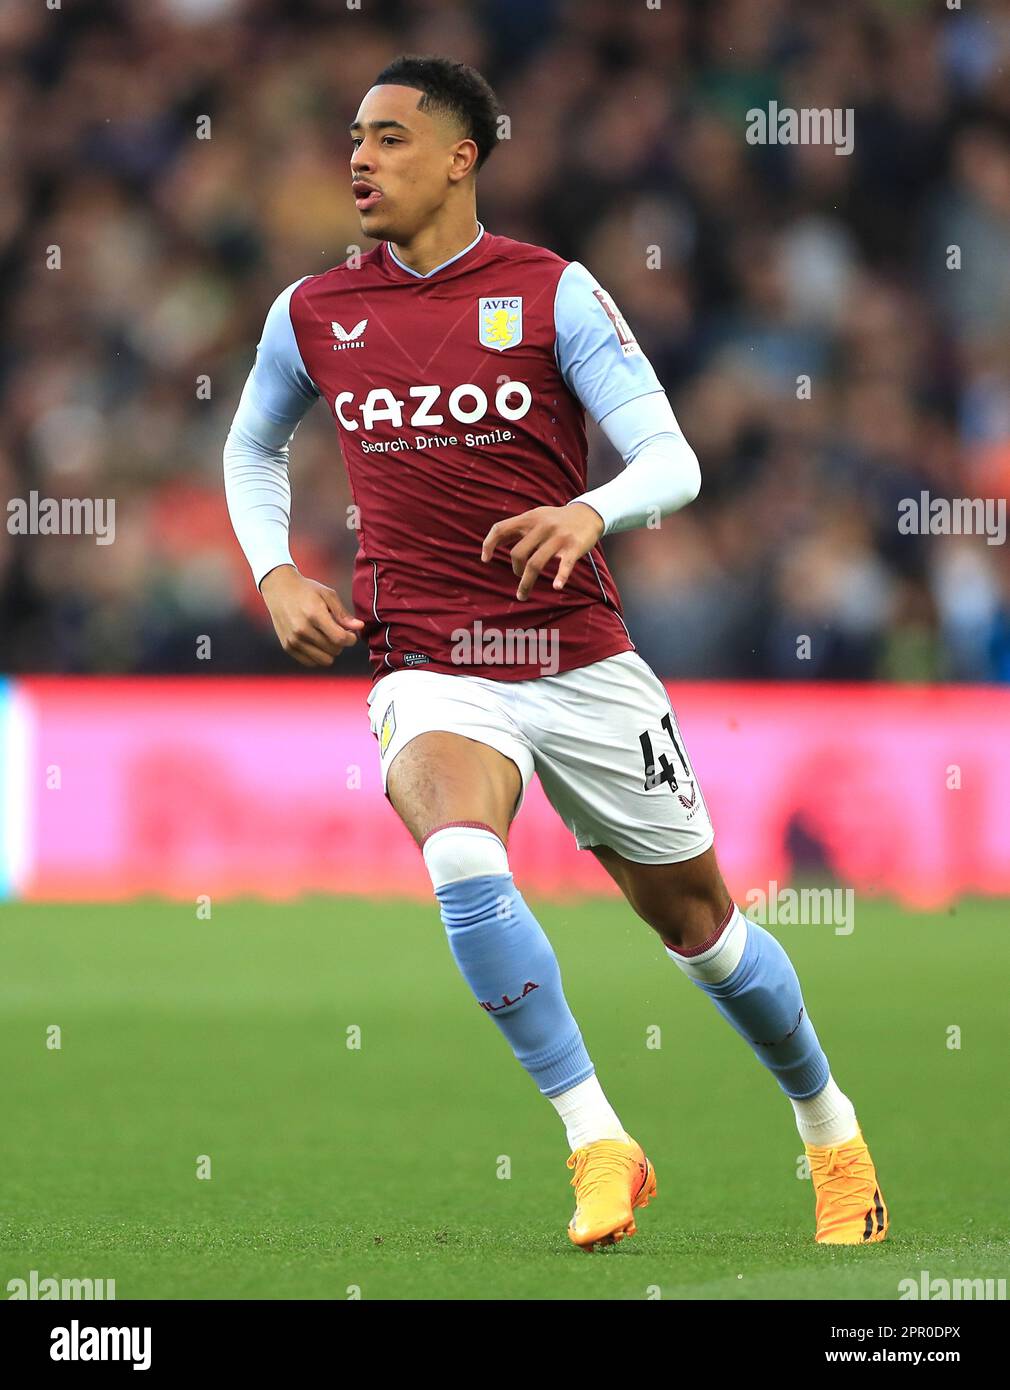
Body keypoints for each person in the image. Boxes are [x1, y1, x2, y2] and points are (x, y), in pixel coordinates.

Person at [224, 54, 887, 1250]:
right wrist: (273, 567)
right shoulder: (314, 312)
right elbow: (251, 448)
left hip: (579, 660)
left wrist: (592, 510)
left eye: (387, 138)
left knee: (702, 931)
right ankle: (596, 1138)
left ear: (461, 156)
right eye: (354, 139)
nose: (359, 158)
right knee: (462, 859)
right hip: (427, 658)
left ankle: (829, 1132)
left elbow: (672, 461)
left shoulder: (550, 293)